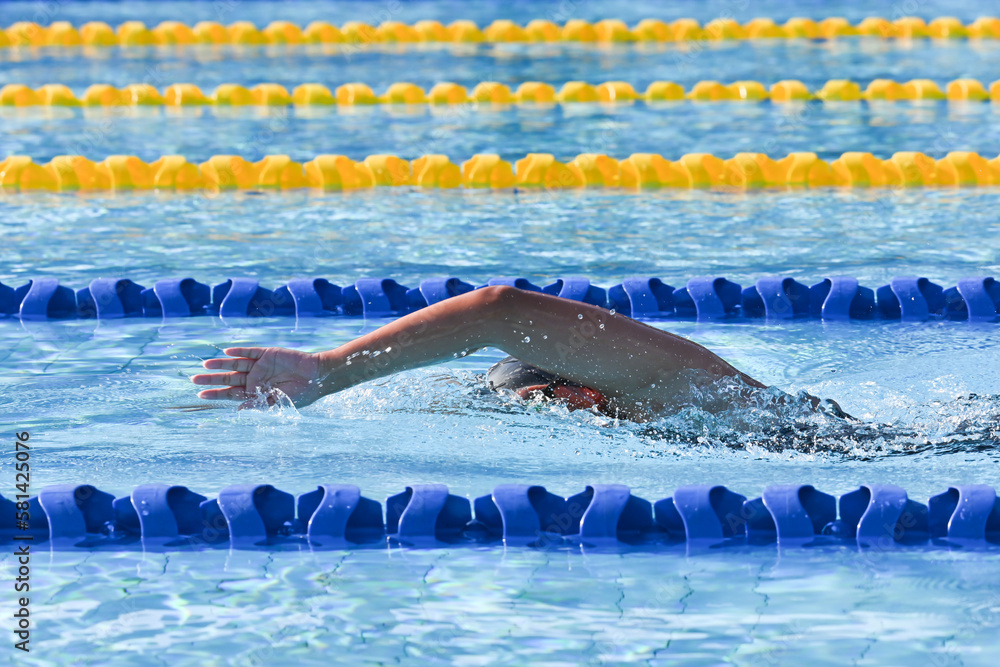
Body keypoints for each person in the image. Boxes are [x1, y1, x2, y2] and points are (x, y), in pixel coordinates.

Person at [191, 285, 839, 421]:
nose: (569, 413)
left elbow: (496, 309)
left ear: (580, 384)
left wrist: (329, 371)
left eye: (551, 403)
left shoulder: (674, 388)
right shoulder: (647, 413)